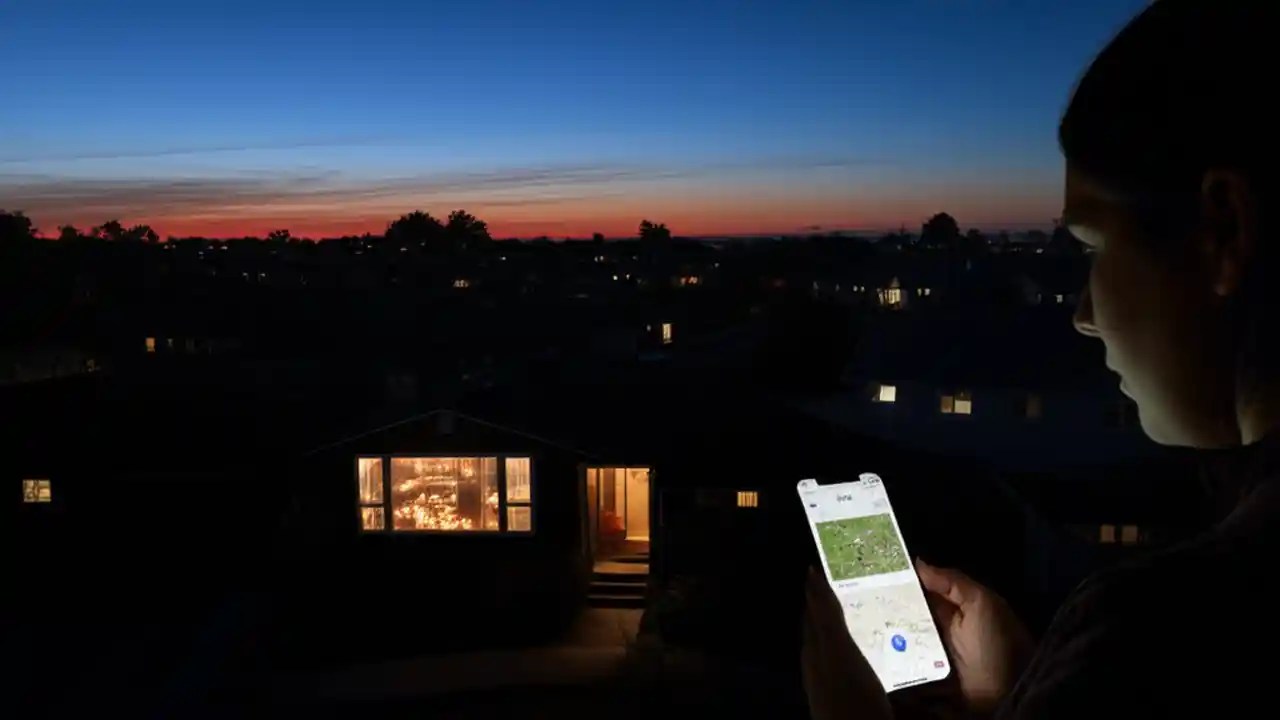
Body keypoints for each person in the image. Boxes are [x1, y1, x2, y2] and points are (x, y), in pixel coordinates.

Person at [802, 1, 1280, 717]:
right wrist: (1024, 696)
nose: (1083, 316)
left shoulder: (1168, 633)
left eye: (1091, 247)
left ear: (1224, 229)